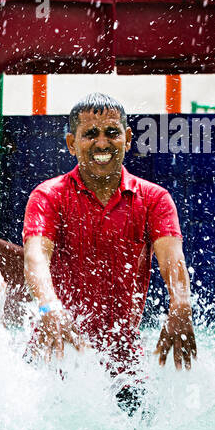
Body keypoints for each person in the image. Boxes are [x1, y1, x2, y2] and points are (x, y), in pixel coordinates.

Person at [22, 92, 196, 408]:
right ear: (71, 143)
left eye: (112, 133)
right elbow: (35, 259)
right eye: (91, 134)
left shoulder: (154, 199)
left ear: (128, 138)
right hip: (57, 352)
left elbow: (173, 258)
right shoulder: (48, 197)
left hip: (124, 363)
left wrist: (181, 305)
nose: (103, 143)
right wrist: (49, 307)